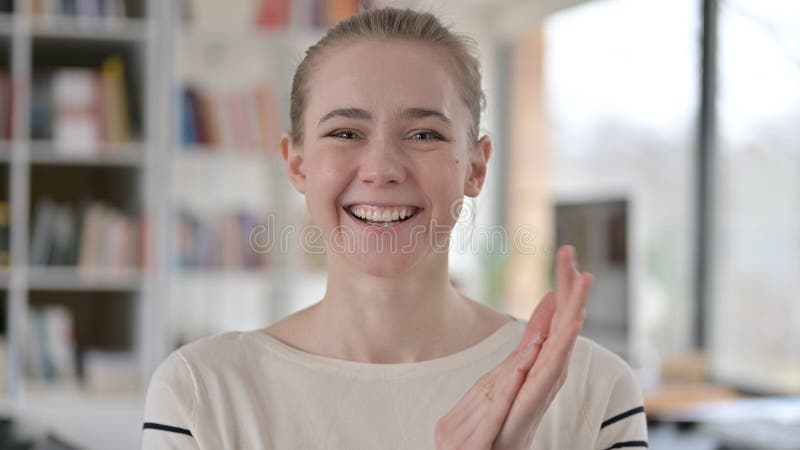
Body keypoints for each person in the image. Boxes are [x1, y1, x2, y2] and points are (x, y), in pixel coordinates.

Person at [142, 7, 648, 450]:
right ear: (297, 165)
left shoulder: (592, 389)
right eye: (345, 132)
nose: (382, 168)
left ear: (475, 166)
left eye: (424, 134)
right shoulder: (201, 394)